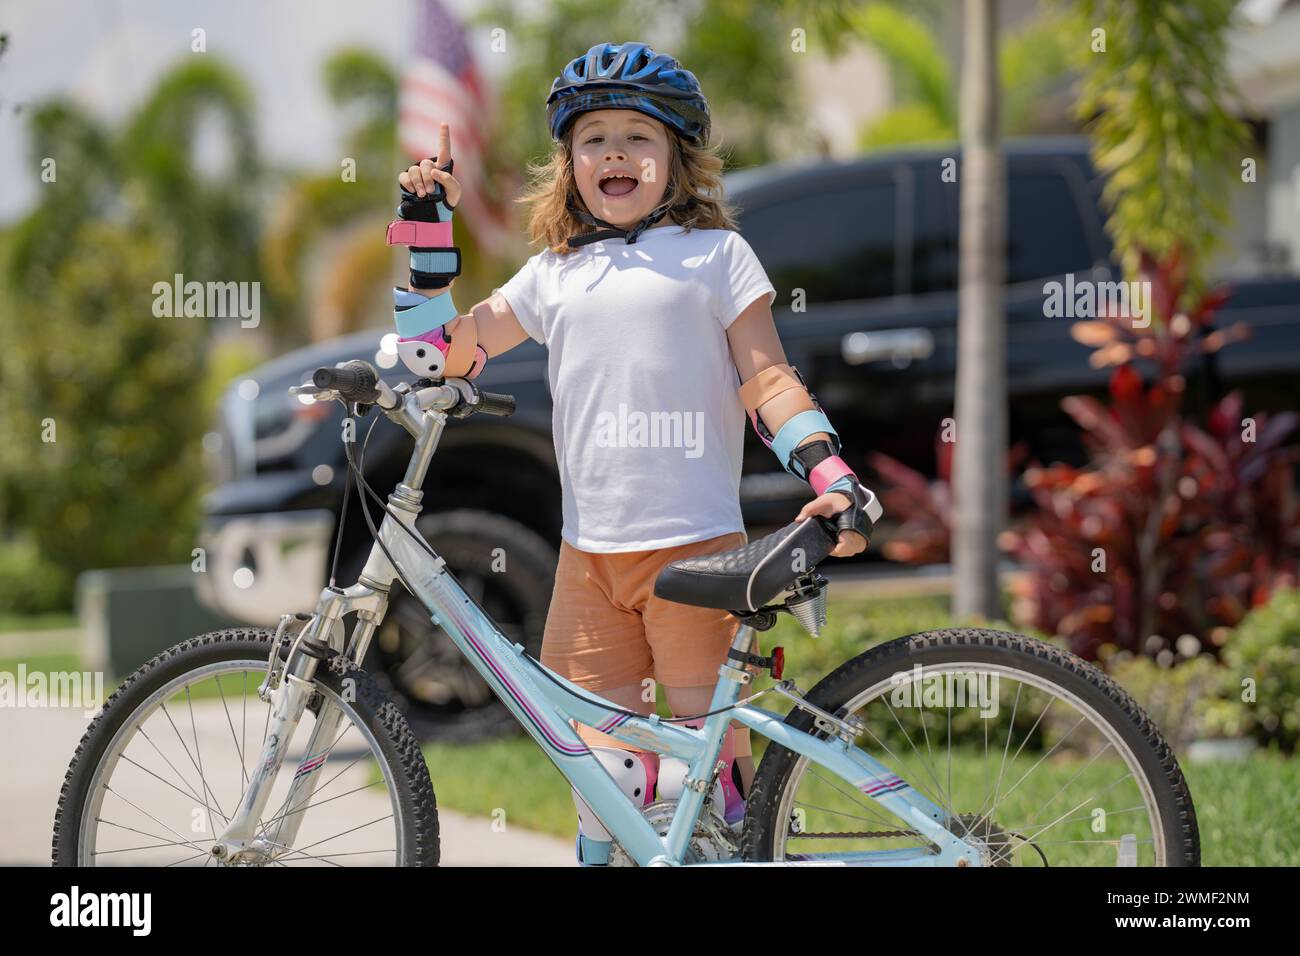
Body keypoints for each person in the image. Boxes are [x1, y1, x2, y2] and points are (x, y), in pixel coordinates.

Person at [387, 41, 878, 865]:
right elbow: (439, 353)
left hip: (695, 554)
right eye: (594, 138)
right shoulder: (554, 273)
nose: (614, 151)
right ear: (569, 164)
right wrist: (428, 230)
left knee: (714, 790)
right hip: (589, 566)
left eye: (638, 137)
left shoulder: (715, 256)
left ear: (677, 161)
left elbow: (768, 383)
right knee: (606, 789)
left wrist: (831, 475)